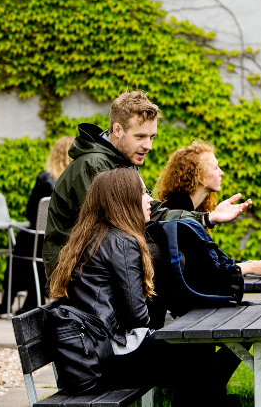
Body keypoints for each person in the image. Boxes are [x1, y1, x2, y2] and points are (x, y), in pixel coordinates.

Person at [48, 168, 239, 405]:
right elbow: (136, 316)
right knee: (197, 358)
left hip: (95, 351)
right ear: (125, 200)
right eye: (143, 193)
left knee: (196, 359)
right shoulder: (122, 241)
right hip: (111, 357)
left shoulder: (92, 235)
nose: (150, 199)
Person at [43, 90, 253, 278]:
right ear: (117, 130)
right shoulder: (94, 165)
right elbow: (113, 227)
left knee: (170, 253)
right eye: (140, 136)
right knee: (165, 257)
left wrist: (208, 217)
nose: (148, 145)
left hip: (104, 258)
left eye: (152, 137)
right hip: (74, 270)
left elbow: (151, 212)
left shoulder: (123, 160)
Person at [154, 140, 261, 277]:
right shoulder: (177, 217)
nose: (221, 172)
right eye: (216, 168)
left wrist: (248, 264)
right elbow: (203, 273)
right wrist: (247, 268)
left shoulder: (185, 209)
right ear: (201, 177)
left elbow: (211, 262)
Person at [0, 136, 74, 317]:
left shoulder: (44, 178)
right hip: (63, 241)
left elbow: (32, 212)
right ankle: (33, 301)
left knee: (19, 253)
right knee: (39, 256)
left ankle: (6, 303)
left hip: (36, 239)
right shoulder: (76, 181)